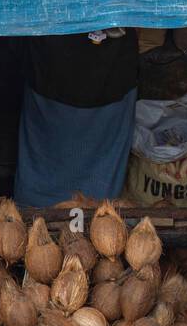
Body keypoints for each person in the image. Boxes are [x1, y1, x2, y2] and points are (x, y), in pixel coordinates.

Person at [14, 30, 137, 207]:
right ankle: (34, 216)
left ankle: (96, 217)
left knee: (99, 209)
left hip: (107, 75)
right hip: (52, 69)